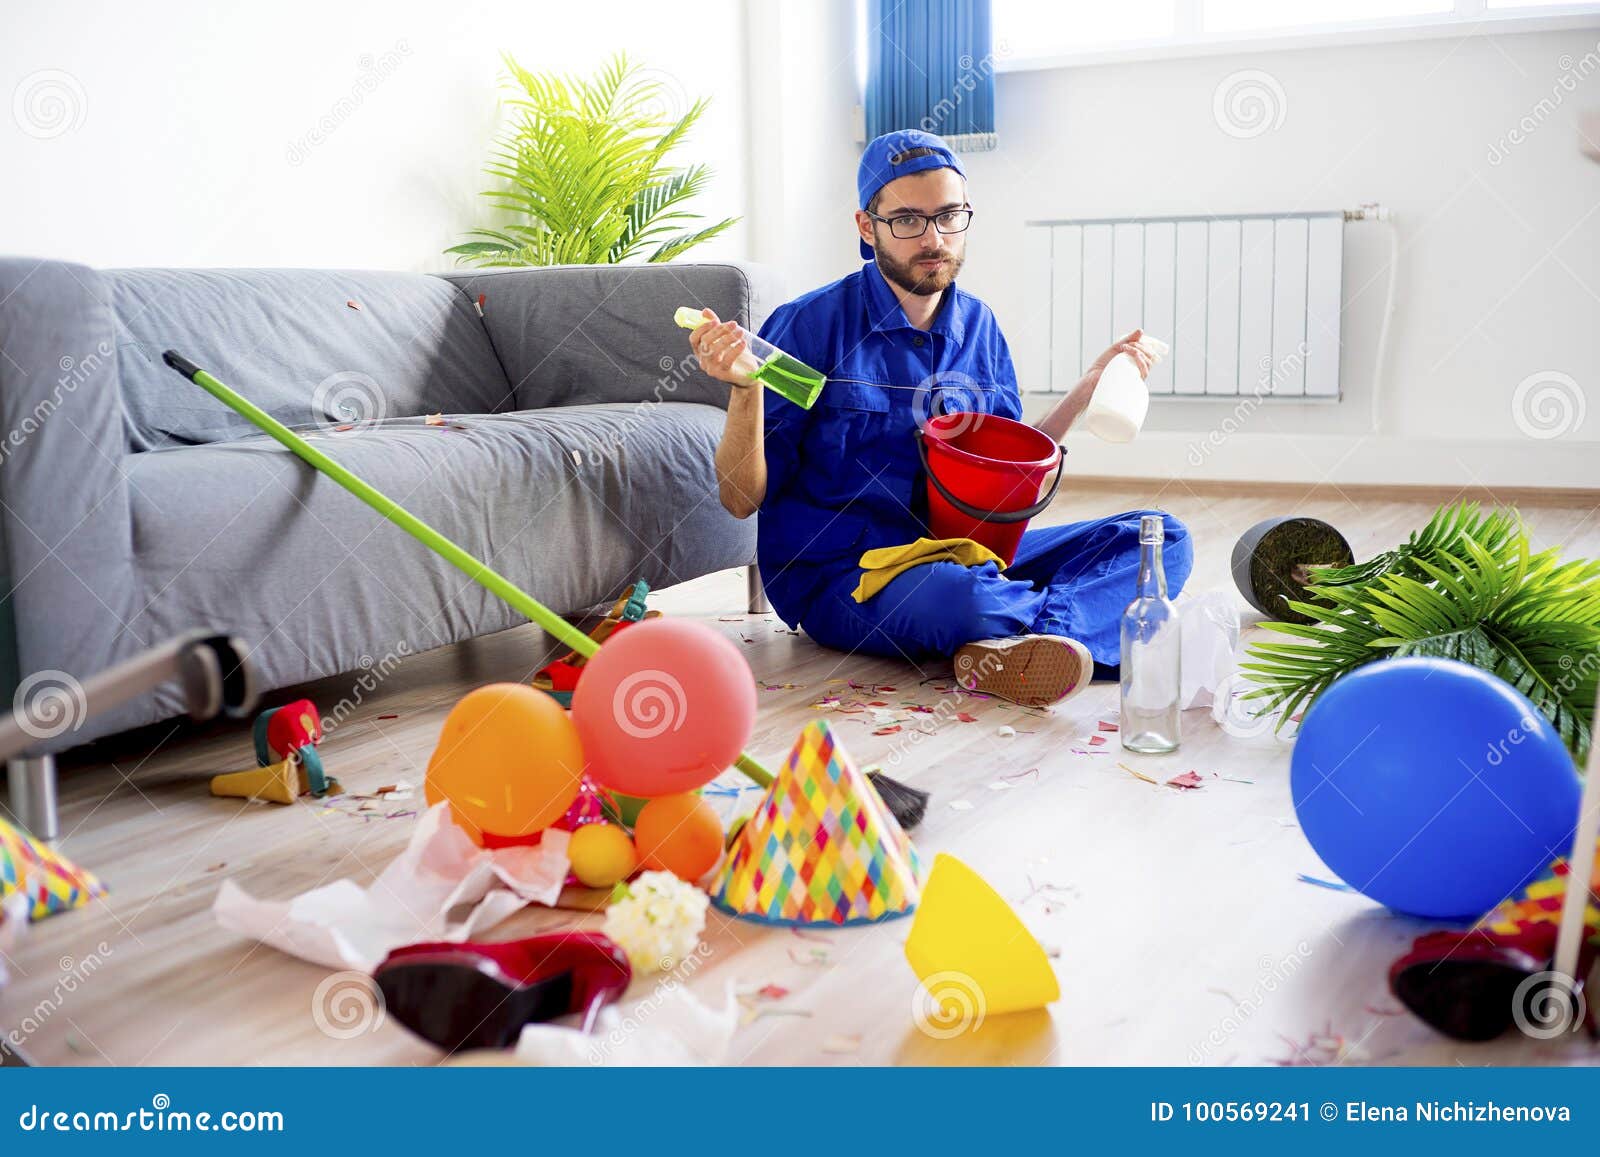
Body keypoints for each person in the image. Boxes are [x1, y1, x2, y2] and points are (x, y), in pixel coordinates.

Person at [689, 129, 1193, 707]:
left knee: (1161, 537)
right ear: (866, 226)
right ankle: (1041, 627)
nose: (933, 239)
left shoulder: (980, 328)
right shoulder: (807, 327)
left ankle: (1018, 638)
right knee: (965, 601)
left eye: (949, 216)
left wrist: (1086, 390)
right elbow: (739, 499)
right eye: (908, 220)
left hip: (963, 552)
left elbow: (1010, 475)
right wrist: (745, 391)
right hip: (848, 574)